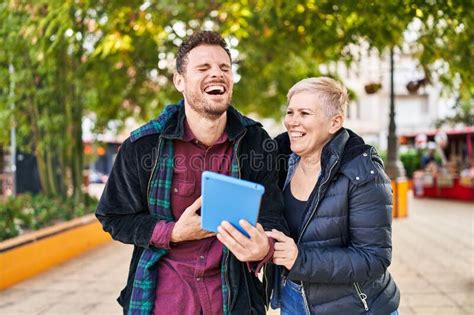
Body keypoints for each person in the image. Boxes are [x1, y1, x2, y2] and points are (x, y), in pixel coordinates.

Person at [96, 31, 287, 314]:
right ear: (179, 81)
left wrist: (264, 249)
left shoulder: (256, 143)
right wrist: (172, 232)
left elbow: (273, 216)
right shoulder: (143, 144)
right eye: (203, 68)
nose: (217, 74)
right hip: (163, 301)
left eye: (224, 68)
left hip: (233, 301)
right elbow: (113, 217)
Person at [267, 77, 400, 314]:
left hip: (353, 306)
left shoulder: (363, 172)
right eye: (290, 112)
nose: (292, 122)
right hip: (293, 302)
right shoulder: (280, 162)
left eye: (304, 113)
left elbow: (374, 258)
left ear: (334, 122)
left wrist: (300, 260)